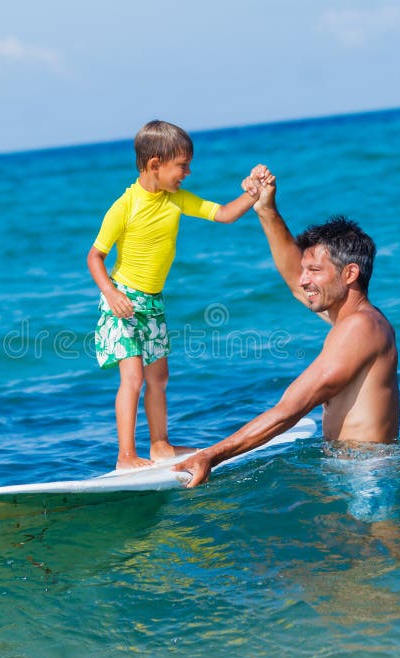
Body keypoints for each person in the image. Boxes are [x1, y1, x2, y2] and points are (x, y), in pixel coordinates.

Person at [175, 165, 400, 486]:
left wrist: (212, 455)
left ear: (349, 274)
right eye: (305, 270)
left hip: (366, 478)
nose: (304, 279)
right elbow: (296, 282)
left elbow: (291, 408)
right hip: (354, 471)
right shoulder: (354, 318)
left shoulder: (360, 328)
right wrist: (266, 210)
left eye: (315, 271)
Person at [87, 121, 264, 469]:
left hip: (152, 304)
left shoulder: (176, 200)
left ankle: (160, 446)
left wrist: (254, 192)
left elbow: (224, 214)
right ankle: (125, 456)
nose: (188, 172)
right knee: (133, 378)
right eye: (182, 165)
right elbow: (95, 256)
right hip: (122, 300)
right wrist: (109, 293)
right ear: (155, 165)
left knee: (159, 378)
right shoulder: (124, 206)